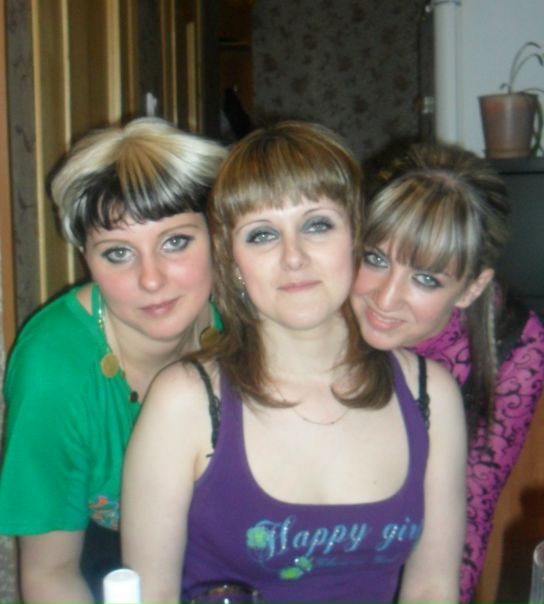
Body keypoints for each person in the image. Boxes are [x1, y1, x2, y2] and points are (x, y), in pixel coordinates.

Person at [121, 121, 467, 604]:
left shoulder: (431, 395)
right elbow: (148, 595)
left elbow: (432, 589)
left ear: (356, 236)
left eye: (317, 225)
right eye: (262, 235)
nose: (294, 257)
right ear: (232, 264)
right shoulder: (185, 401)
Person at [0, 117, 227, 604]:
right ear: (86, 257)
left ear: (216, 236)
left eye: (175, 241)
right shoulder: (54, 369)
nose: (152, 279)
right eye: (118, 253)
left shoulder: (247, 322)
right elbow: (50, 573)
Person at [351, 141, 544, 604]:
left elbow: (471, 510)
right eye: (376, 259)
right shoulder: (322, 305)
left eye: (426, 279)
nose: (385, 298)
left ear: (472, 287)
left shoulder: (516, 346)